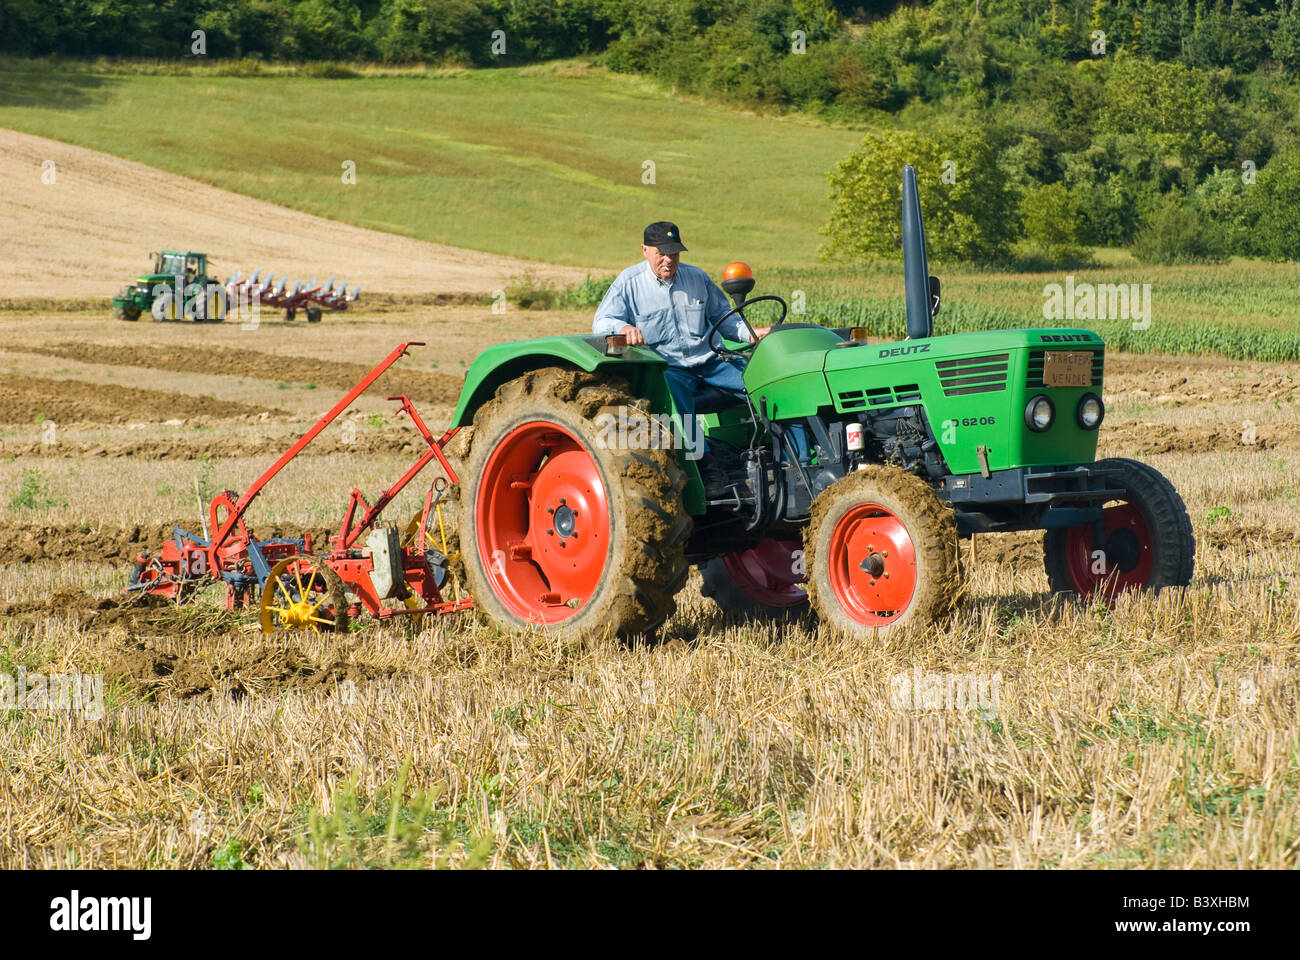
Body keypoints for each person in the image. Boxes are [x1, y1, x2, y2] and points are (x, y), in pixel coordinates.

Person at [592, 222, 772, 474]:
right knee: (674, 398)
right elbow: (601, 322)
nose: (668, 260)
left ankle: (785, 451)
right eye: (661, 253)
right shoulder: (629, 283)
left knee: (764, 383)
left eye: (673, 253)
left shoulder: (697, 278)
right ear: (645, 250)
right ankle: (705, 464)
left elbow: (724, 316)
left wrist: (750, 334)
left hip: (712, 362)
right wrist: (623, 328)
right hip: (671, 368)